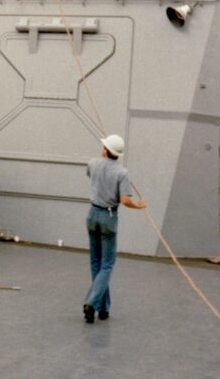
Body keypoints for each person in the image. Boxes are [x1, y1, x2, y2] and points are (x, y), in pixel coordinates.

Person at [82, 134, 146, 324]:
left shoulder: (92, 163)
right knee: (107, 264)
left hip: (92, 215)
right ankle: (92, 303)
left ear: (105, 150)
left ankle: (103, 308)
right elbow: (125, 200)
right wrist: (139, 206)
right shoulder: (122, 173)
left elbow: (92, 175)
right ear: (117, 153)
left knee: (96, 262)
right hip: (109, 218)